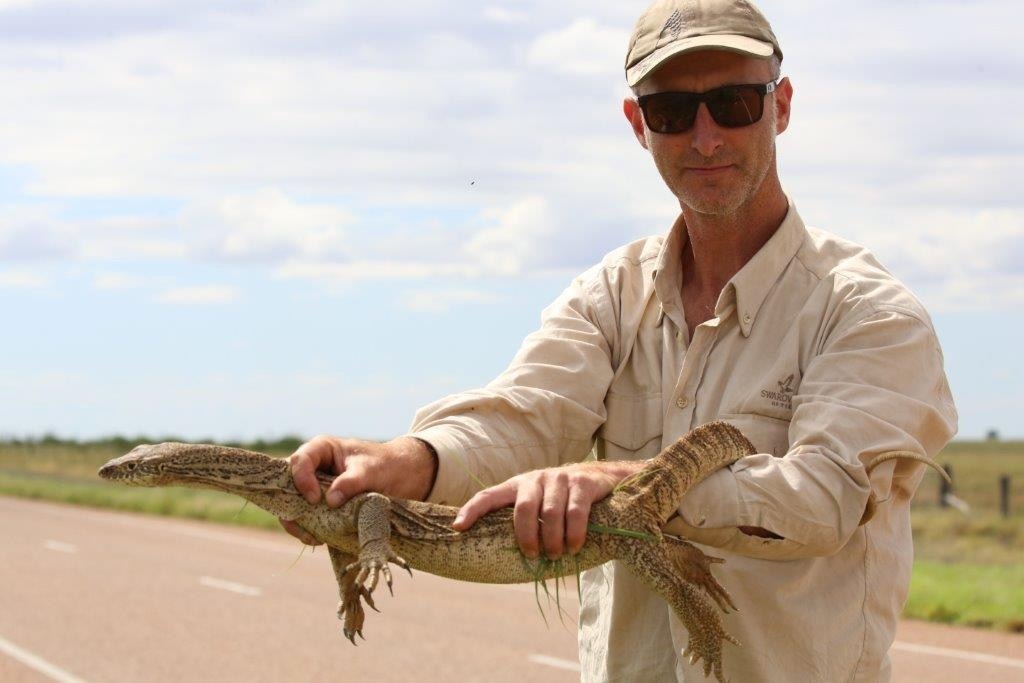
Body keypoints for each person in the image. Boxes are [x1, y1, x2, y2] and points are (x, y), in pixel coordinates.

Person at [280, 0, 958, 680]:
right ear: (638, 125)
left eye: (733, 103)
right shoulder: (613, 294)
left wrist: (627, 482)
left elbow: (821, 499)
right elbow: (526, 415)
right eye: (671, 112)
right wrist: (408, 459)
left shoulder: (865, 311)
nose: (705, 137)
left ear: (780, 106)